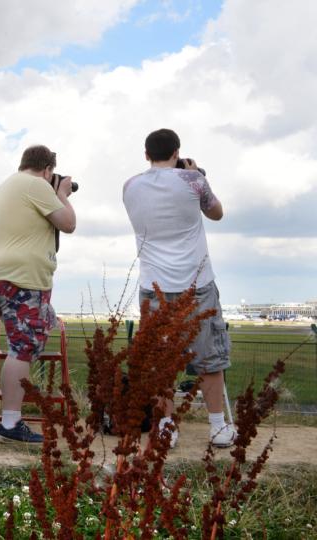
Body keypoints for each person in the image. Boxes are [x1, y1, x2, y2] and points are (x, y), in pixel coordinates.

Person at [122, 128, 236, 449]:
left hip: (153, 285)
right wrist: (196, 173)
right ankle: (217, 426)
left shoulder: (130, 187)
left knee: (160, 360)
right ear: (177, 152)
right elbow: (216, 213)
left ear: (146, 155)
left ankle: (165, 427)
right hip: (196, 283)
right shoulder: (193, 181)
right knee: (210, 356)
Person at [0, 145, 76, 443]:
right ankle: (10, 424)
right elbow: (69, 224)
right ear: (47, 170)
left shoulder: (7, 186)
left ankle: (12, 411)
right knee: (22, 347)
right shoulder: (36, 185)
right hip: (20, 279)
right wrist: (62, 194)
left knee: (35, 330)